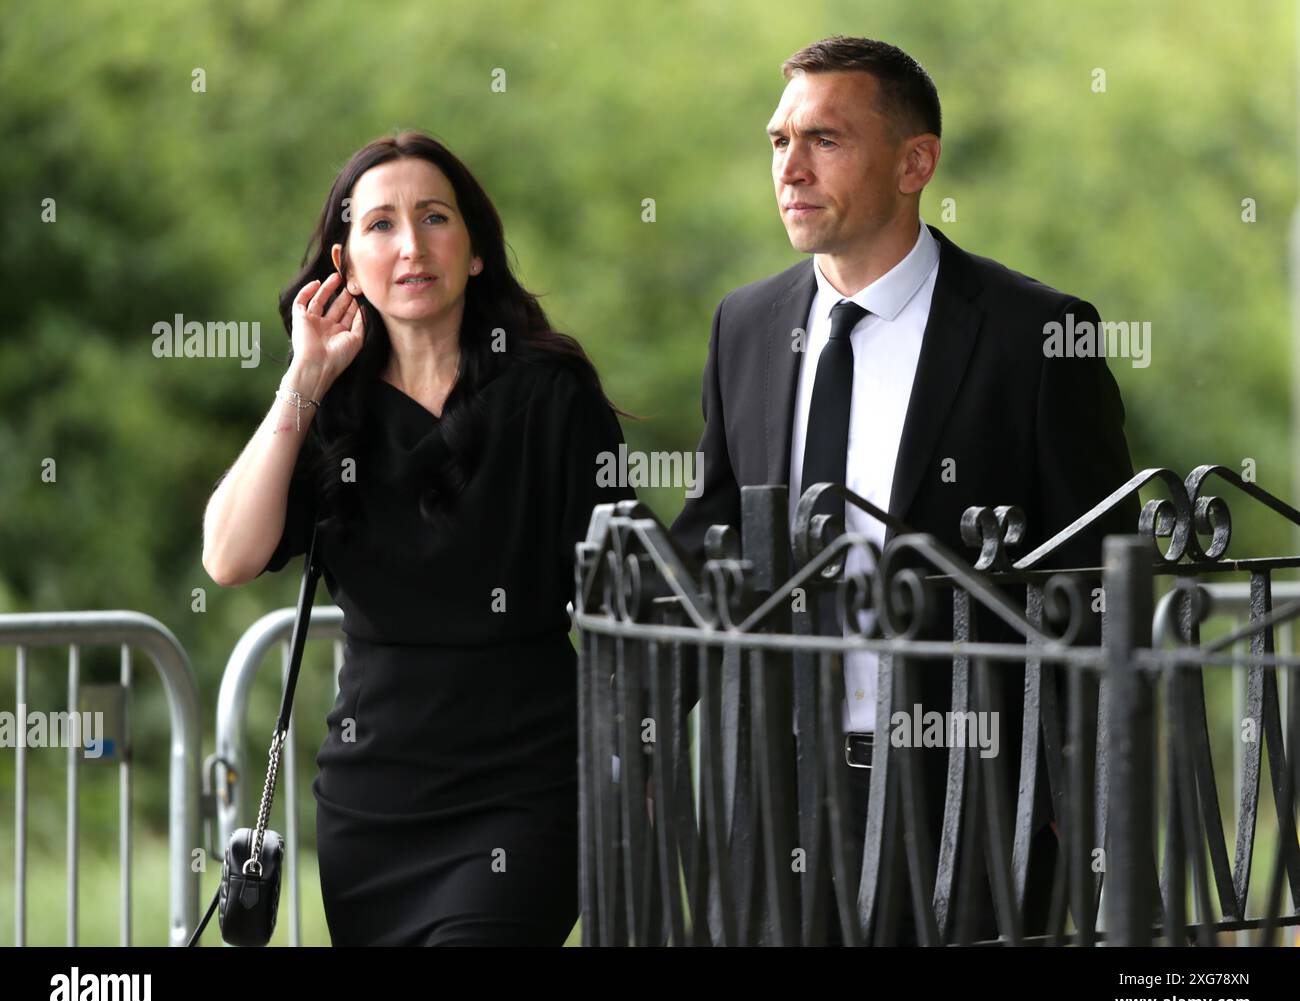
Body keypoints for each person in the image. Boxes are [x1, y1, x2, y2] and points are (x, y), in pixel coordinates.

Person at [669, 37, 1139, 943]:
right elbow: (712, 537)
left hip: (971, 797)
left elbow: (1094, 583)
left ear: (915, 162)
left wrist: (1078, 805)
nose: (791, 168)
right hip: (779, 793)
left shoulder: (1037, 334)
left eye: (826, 141)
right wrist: (643, 735)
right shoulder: (746, 325)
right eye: (778, 142)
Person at [202, 130, 634, 946]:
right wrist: (302, 379)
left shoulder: (549, 393)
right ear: (346, 259)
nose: (410, 245)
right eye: (380, 225)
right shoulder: (333, 408)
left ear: (474, 250)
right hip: (374, 804)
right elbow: (228, 556)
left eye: (434, 218)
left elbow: (624, 589)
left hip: (526, 789)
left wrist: (638, 746)